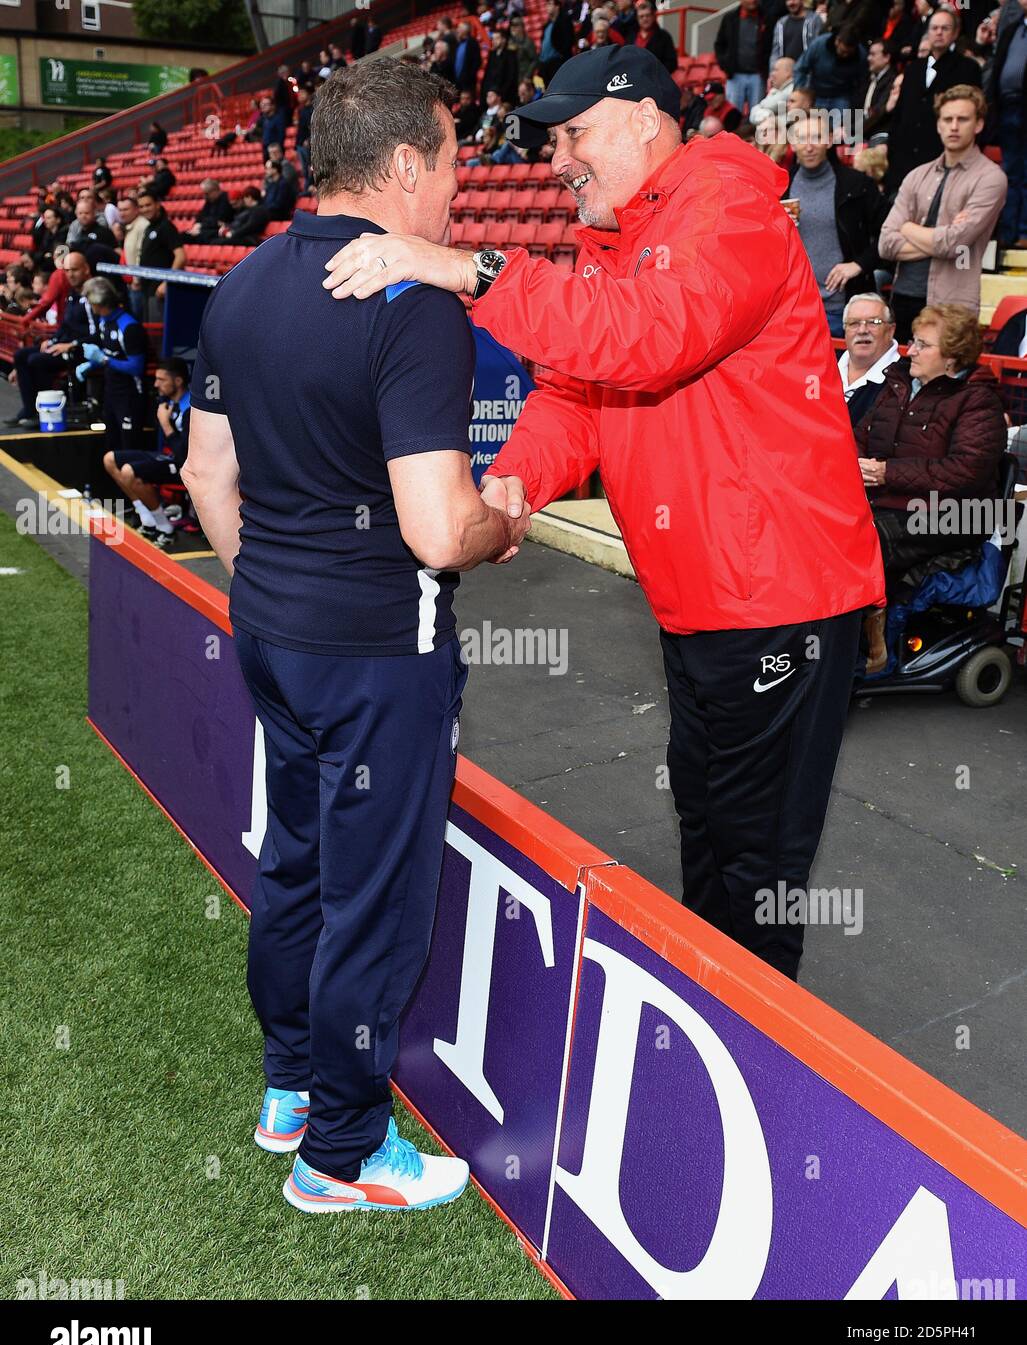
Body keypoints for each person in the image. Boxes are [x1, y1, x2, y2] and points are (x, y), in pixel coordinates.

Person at [322, 45, 885, 981]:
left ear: (643, 121)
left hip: (777, 595)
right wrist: (511, 487)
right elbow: (577, 392)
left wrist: (464, 267)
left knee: (754, 862)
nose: (556, 160)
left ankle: (760, 1055)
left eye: (574, 134)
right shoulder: (626, 232)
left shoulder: (727, 203)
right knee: (710, 829)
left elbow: (647, 338)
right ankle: (727, 1017)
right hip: (707, 596)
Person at [182, 58, 525, 1213]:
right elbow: (437, 529)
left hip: (274, 632)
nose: (459, 186)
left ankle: (289, 1089)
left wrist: (278, 586)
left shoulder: (238, 286)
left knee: (296, 866)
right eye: (453, 160)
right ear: (405, 165)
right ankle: (342, 1151)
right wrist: (504, 523)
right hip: (378, 651)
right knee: (370, 901)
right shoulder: (417, 306)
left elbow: (203, 470)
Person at [855, 303, 1007, 669]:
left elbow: (964, 472)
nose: (912, 351)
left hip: (959, 515)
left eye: (924, 344)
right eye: (913, 341)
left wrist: (887, 473)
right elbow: (861, 437)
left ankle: (873, 644)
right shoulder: (899, 383)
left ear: (952, 358)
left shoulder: (978, 400)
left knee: (864, 540)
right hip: (891, 503)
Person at [879, 84, 1007, 339]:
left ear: (979, 125)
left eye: (963, 119)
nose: (954, 126)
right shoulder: (917, 175)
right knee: (900, 377)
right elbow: (886, 244)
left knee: (948, 380)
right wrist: (940, 237)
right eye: (947, 119)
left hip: (953, 306)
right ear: (938, 125)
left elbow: (954, 243)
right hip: (904, 297)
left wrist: (907, 227)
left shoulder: (990, 178)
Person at [784, 108, 885, 335]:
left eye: (817, 137)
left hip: (844, 309)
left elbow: (889, 234)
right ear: (792, 143)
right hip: (795, 308)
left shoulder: (856, 185)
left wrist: (858, 264)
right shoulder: (781, 186)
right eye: (801, 139)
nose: (809, 146)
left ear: (829, 140)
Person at [884, 7, 983, 193]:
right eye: (934, 28)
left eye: (945, 28)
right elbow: (900, 113)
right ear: (927, 32)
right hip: (904, 161)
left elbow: (973, 111)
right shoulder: (913, 69)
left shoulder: (967, 68)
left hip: (942, 156)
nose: (939, 32)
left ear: (955, 34)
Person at [103, 356, 191, 548]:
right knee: (110, 459)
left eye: (162, 380)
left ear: (178, 381)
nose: (156, 384)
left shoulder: (190, 409)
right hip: (170, 457)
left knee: (129, 471)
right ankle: (148, 518)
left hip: (186, 466)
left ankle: (165, 528)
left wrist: (166, 424)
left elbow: (185, 455)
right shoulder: (167, 403)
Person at [7, 250, 92, 427]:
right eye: (67, 270)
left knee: (36, 360)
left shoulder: (92, 294)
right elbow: (65, 325)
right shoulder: (72, 294)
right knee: (21, 355)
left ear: (86, 269)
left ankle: (43, 411)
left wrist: (70, 345)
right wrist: (53, 341)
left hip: (80, 349)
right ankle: (29, 409)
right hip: (61, 343)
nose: (70, 274)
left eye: (74, 270)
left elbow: (96, 332)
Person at [74, 276, 147, 450]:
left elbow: (136, 367)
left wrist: (103, 360)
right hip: (111, 391)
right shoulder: (104, 322)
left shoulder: (129, 327)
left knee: (129, 446)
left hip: (129, 394)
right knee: (111, 443)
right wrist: (92, 364)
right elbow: (108, 354)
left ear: (100, 303)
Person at [983, 0, 1027, 246]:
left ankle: (1024, 232)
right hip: (1008, 107)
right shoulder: (1012, 28)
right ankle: (1008, 234)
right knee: (1010, 173)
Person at [836, 291, 901, 422]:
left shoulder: (903, 381)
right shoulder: (823, 368)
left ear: (890, 330)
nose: (862, 330)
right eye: (854, 323)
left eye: (873, 322)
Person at [792, 24, 867, 114]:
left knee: (841, 124)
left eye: (848, 53)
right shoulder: (819, 44)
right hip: (816, 93)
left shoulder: (861, 55)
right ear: (837, 41)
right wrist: (801, 92)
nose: (845, 55)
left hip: (842, 97)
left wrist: (854, 100)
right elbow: (800, 69)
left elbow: (862, 81)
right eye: (843, 52)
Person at [135, 187, 186, 319]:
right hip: (147, 290)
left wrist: (166, 282)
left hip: (159, 292)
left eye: (148, 205)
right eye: (141, 206)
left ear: (157, 204)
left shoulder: (166, 227)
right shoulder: (149, 228)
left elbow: (181, 256)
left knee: (158, 333)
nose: (145, 209)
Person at [716, 0, 771, 110]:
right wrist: (725, 65)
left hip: (758, 76)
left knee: (757, 115)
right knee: (733, 116)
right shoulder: (729, 18)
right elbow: (719, 44)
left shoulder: (766, 17)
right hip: (735, 76)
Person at [857, 37, 898, 138]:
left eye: (873, 54)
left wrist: (854, 130)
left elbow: (879, 112)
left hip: (878, 131)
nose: (869, 58)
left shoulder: (893, 81)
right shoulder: (867, 77)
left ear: (887, 57)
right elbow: (856, 104)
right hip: (862, 128)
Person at [770, 0, 825, 65]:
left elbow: (817, 50)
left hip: (806, 71)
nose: (791, 3)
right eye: (788, 0)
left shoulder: (814, 20)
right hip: (785, 71)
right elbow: (775, 52)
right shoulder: (781, 23)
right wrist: (773, 71)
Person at [635, 0, 681, 75]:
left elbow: (672, 63)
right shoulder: (631, 36)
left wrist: (656, 72)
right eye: (641, 16)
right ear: (637, 19)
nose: (645, 19)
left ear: (653, 16)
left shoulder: (664, 36)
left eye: (647, 15)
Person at [539, 0, 574, 83]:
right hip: (545, 65)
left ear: (557, 6)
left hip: (558, 63)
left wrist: (561, 56)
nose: (547, 7)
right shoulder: (547, 25)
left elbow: (569, 40)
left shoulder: (565, 20)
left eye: (550, 4)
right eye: (546, 4)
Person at [454, 20, 483, 93]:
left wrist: (470, 76)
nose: (457, 30)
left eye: (459, 28)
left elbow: (477, 61)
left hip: (468, 81)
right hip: (458, 81)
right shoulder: (459, 43)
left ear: (465, 30)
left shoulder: (472, 42)